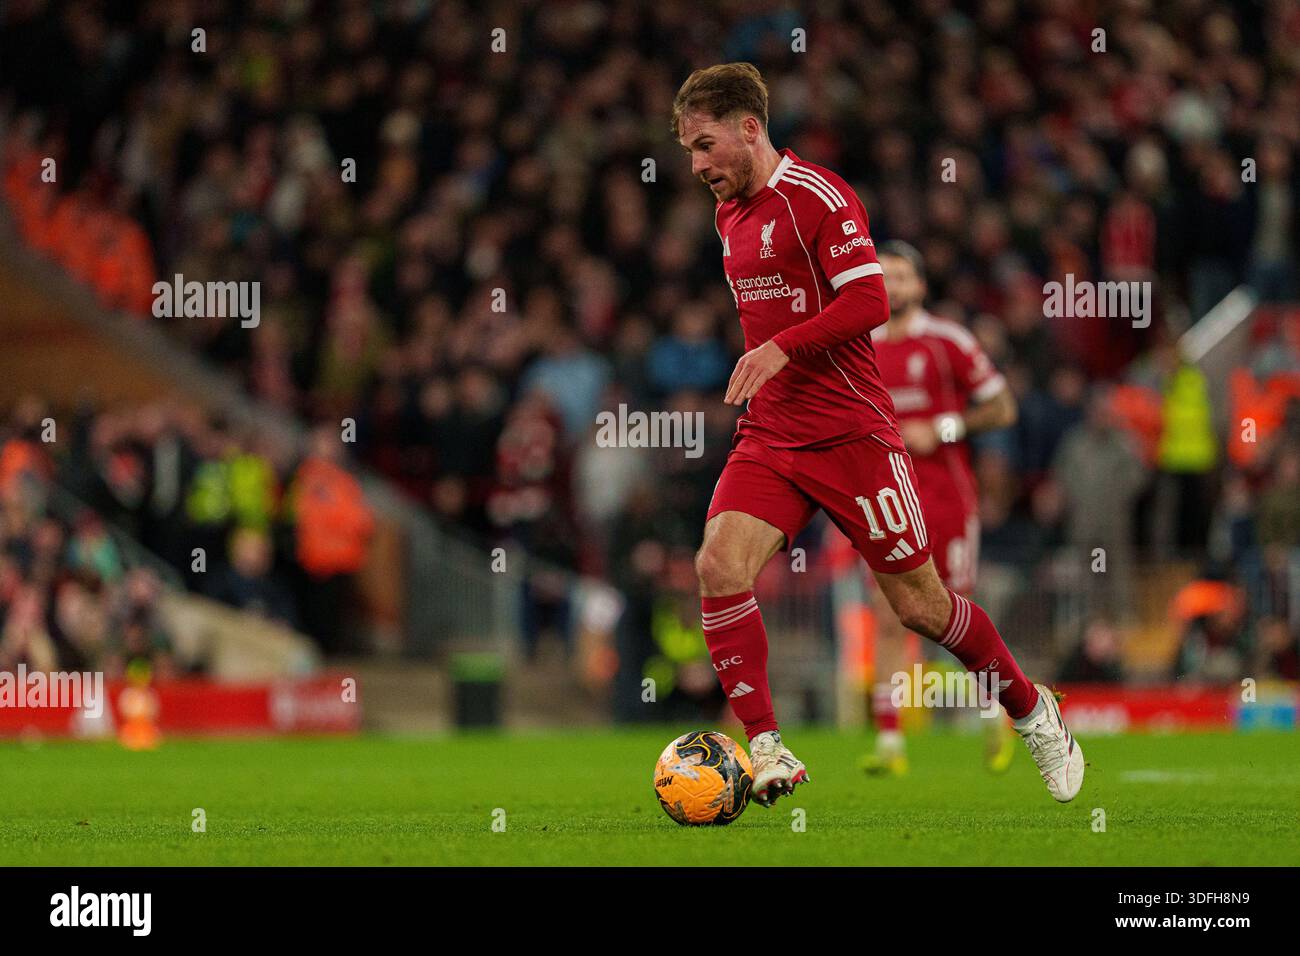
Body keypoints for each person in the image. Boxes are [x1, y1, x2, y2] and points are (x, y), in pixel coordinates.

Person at [674, 62, 1084, 805]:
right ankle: (766, 748)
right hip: (773, 435)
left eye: (704, 146)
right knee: (718, 567)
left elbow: (866, 301)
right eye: (687, 153)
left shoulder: (820, 197)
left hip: (854, 436)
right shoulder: (727, 213)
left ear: (749, 128)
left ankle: (1032, 711)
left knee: (921, 609)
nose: (697, 166)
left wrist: (779, 348)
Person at [861, 242, 1019, 776]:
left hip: (946, 496)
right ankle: (889, 745)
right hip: (887, 501)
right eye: (883, 277)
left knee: (955, 612)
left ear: (921, 286)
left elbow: (1002, 406)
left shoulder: (947, 340)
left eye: (902, 277)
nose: (893, 286)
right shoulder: (859, 347)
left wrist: (945, 428)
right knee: (886, 618)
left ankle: (995, 713)